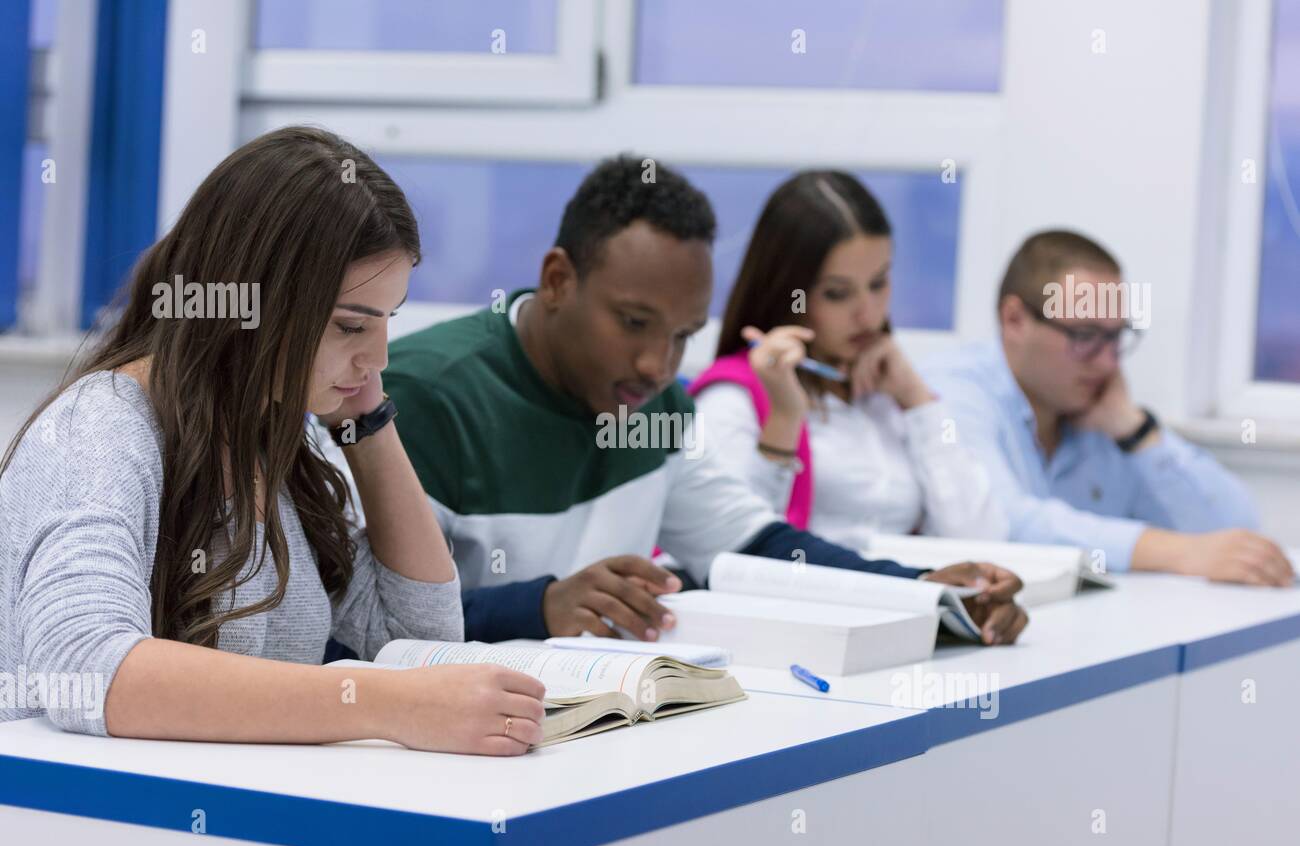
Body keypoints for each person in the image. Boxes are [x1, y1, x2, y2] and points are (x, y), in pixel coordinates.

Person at [0, 127, 546, 756]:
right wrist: (383, 706)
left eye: (386, 323)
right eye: (350, 326)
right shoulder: (100, 431)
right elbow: (85, 671)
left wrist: (366, 419)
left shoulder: (275, 439)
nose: (380, 356)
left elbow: (416, 633)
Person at [355, 156, 1028, 650]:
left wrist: (919, 586)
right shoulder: (422, 397)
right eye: (633, 322)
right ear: (558, 280)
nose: (657, 365)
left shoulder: (658, 409)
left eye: (683, 336)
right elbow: (358, 624)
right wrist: (540, 606)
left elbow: (755, 546)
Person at [921, 228, 1293, 585]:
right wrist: (1179, 552)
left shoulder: (1099, 409)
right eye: (1085, 336)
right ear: (1014, 319)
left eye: (1116, 337)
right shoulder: (952, 392)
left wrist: (1136, 432)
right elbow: (1004, 523)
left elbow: (1236, 529)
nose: (1107, 364)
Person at [691, 170, 1007, 552]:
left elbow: (982, 540)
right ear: (787, 292)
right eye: (837, 294)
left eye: (878, 284)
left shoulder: (887, 394)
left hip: (906, 600)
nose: (868, 314)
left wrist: (918, 401)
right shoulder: (732, 400)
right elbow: (727, 549)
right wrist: (785, 419)